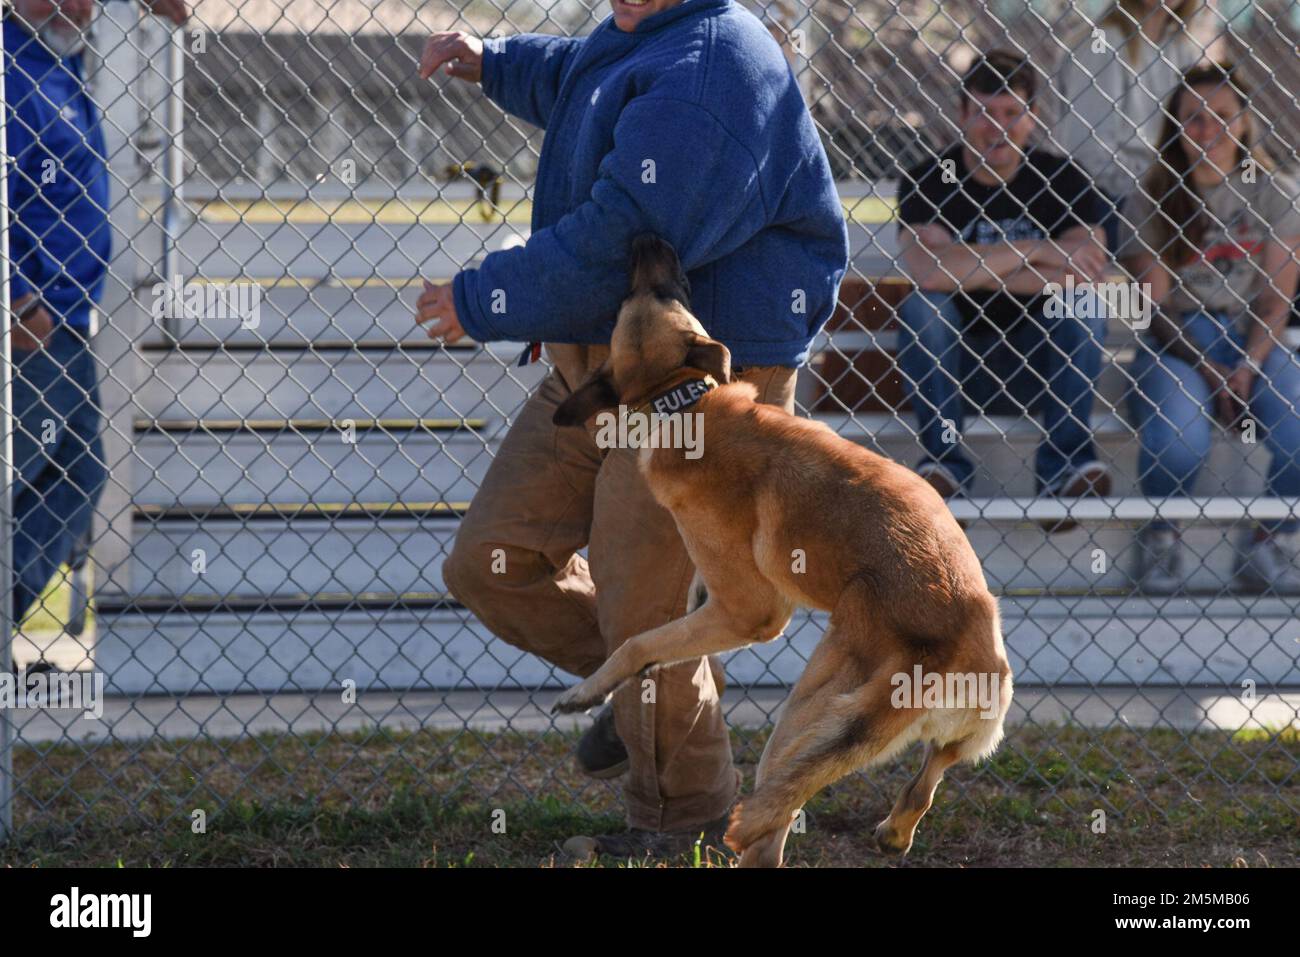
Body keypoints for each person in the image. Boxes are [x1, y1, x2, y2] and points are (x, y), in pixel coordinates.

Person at [413, 0, 849, 858]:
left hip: (696, 386)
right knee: (492, 563)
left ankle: (684, 819)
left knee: (644, 600)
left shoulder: (712, 68)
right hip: (606, 361)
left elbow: (622, 238)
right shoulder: (649, 29)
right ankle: (657, 686)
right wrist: (493, 61)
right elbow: (587, 74)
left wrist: (481, 297)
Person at [4, 0, 186, 629]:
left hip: (63, 320)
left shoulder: (58, 61)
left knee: (76, 473)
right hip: (28, 327)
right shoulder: (11, 72)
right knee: (47, 477)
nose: (74, 7)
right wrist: (17, 296)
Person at [895, 50, 1111, 510]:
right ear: (962, 114)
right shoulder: (930, 179)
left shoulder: (1063, 179)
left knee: (1086, 306)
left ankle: (1065, 465)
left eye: (1013, 113)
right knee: (922, 307)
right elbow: (931, 274)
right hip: (956, 367)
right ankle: (944, 464)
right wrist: (1036, 250)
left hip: (1039, 366)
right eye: (985, 113)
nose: (999, 127)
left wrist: (970, 267)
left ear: (1032, 116)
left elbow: (1086, 273)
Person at [1124, 63, 1300, 593]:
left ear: (1245, 122)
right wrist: (1210, 368)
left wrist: (1246, 365)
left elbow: (1275, 298)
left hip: (1255, 336)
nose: (1208, 130)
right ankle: (1161, 537)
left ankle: (1270, 541)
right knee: (1180, 438)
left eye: (1223, 117)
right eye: (1194, 118)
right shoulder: (1150, 193)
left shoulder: (1275, 192)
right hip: (1178, 339)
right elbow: (1153, 309)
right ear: (1175, 126)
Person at [1049, 0, 1207, 257]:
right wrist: (1153, 191)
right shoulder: (1103, 43)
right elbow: (1088, 152)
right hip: (1111, 199)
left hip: (1165, 191)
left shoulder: (1180, 47)